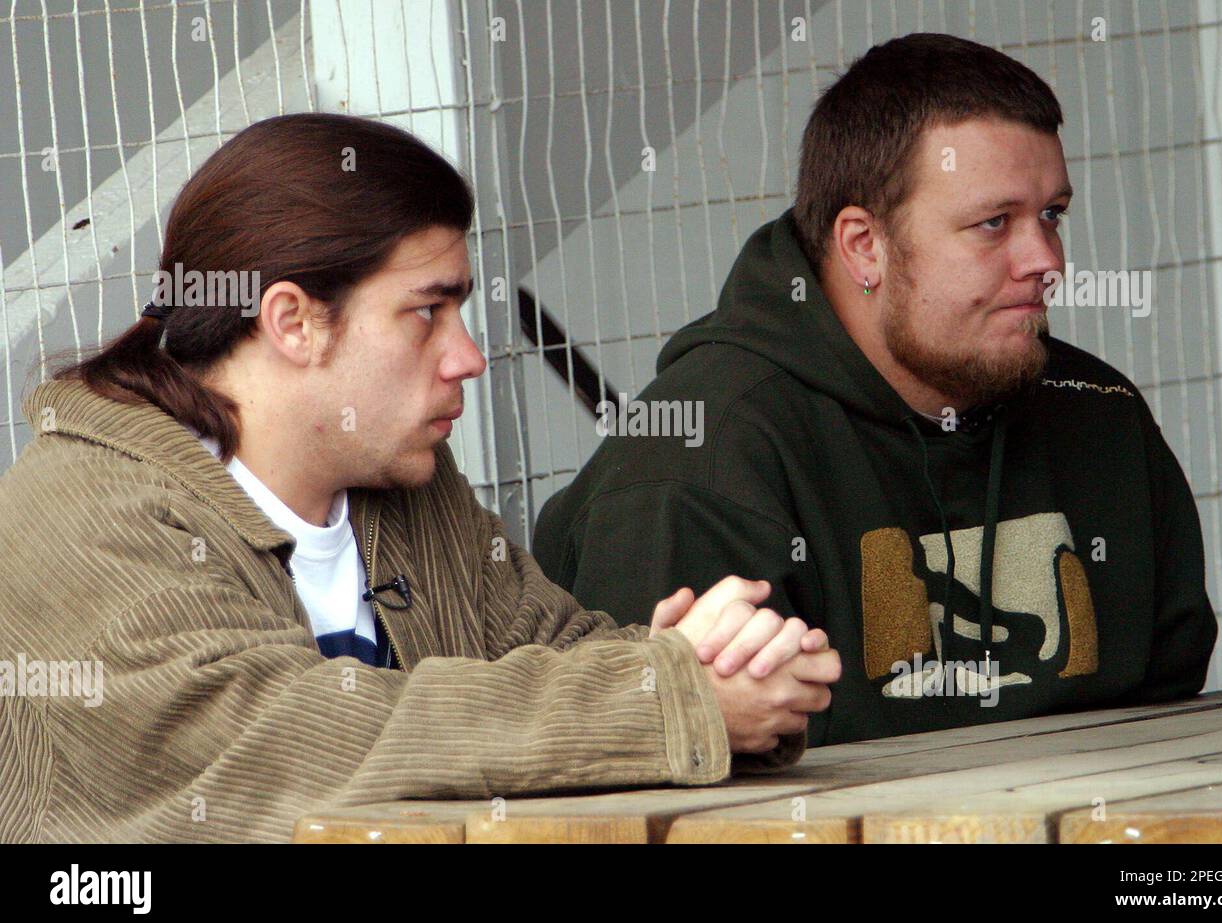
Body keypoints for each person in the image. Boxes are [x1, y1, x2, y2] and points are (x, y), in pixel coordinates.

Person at [0, 113, 840, 843]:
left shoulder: (411, 489)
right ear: (293, 321)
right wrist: (663, 699)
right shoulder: (78, 511)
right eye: (428, 311)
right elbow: (296, 748)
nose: (469, 356)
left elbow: (560, 657)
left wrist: (724, 674)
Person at [533, 33, 1218, 747]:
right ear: (865, 245)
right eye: (993, 223)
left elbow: (1169, 706)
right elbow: (651, 787)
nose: (1046, 260)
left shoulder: (1096, 411)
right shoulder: (697, 462)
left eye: (1052, 215)